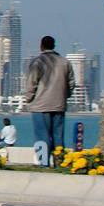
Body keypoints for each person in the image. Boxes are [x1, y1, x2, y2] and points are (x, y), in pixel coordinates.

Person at [22, 36, 74, 166]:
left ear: (41, 46)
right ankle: (59, 162)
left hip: (40, 105)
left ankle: (44, 163)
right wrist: (64, 95)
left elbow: (31, 83)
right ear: (54, 46)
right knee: (58, 136)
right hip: (59, 105)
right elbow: (71, 83)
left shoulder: (37, 62)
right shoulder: (65, 62)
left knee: (42, 136)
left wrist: (29, 98)